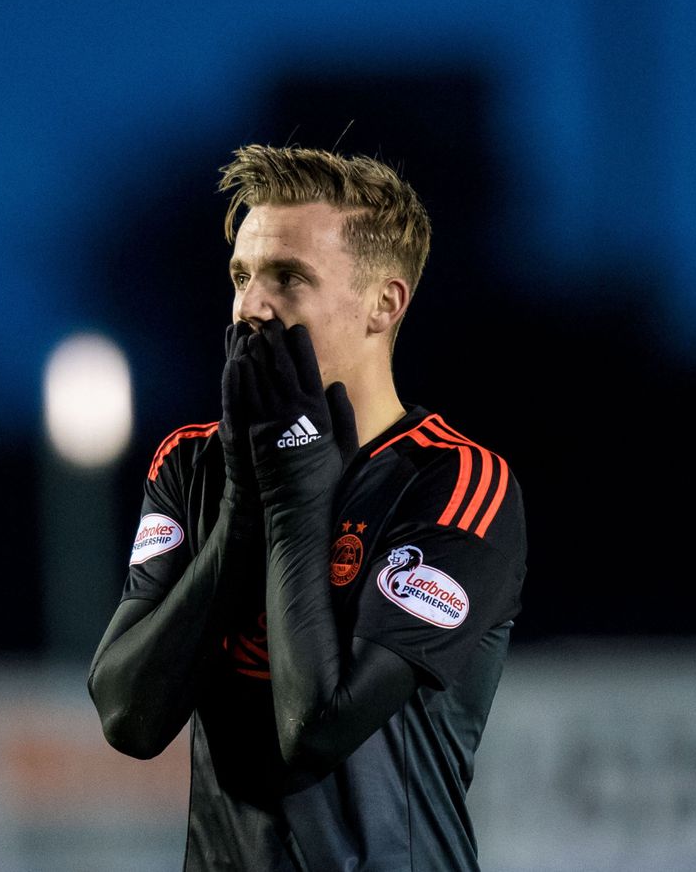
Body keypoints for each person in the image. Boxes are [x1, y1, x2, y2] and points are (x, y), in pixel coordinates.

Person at [89, 145, 526, 871]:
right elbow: (127, 715)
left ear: (385, 304)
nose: (251, 306)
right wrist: (244, 506)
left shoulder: (453, 482)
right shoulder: (193, 463)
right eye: (241, 275)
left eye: (288, 278)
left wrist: (293, 493)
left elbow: (317, 728)